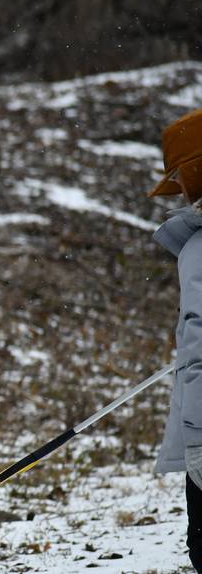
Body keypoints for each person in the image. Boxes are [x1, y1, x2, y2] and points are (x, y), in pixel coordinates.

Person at [147, 108, 202, 572]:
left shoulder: (199, 251)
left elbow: (201, 352)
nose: (178, 191)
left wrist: (199, 441)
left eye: (179, 178)